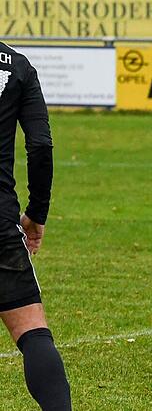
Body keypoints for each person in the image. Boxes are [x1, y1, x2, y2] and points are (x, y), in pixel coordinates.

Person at [0, 42, 71, 410]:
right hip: (0, 222)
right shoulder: (18, 66)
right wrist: (36, 214)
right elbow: (40, 146)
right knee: (31, 331)